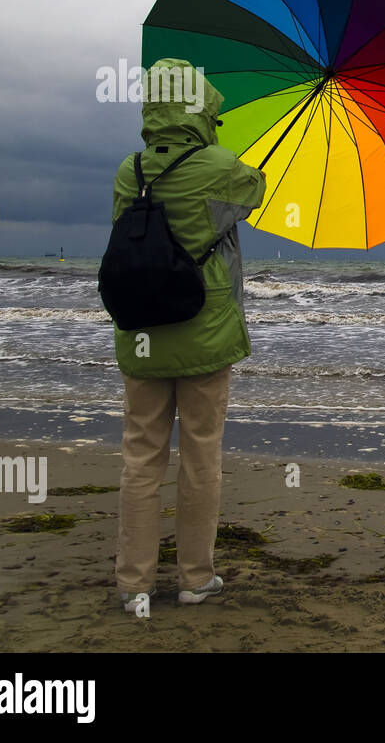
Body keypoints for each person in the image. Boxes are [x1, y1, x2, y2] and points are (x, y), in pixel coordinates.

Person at [110, 58, 266, 614]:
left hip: (142, 331)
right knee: (201, 457)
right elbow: (256, 191)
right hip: (205, 334)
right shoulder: (220, 166)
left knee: (140, 458)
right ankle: (195, 578)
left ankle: (134, 583)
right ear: (200, 106)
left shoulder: (129, 171)